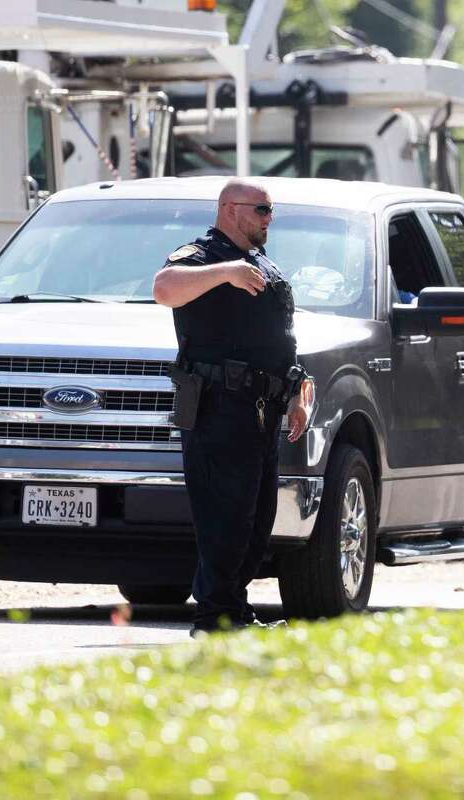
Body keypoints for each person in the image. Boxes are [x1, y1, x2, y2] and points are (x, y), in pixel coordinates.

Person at [152, 179, 311, 637]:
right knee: (224, 518)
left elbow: (279, 336)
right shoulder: (200, 257)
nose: (268, 218)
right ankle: (213, 619)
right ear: (229, 210)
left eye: (270, 211)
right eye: (260, 209)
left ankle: (234, 613)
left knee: (255, 520)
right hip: (219, 409)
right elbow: (163, 289)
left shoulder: (263, 265)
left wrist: (298, 388)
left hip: (262, 411)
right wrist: (225, 273)